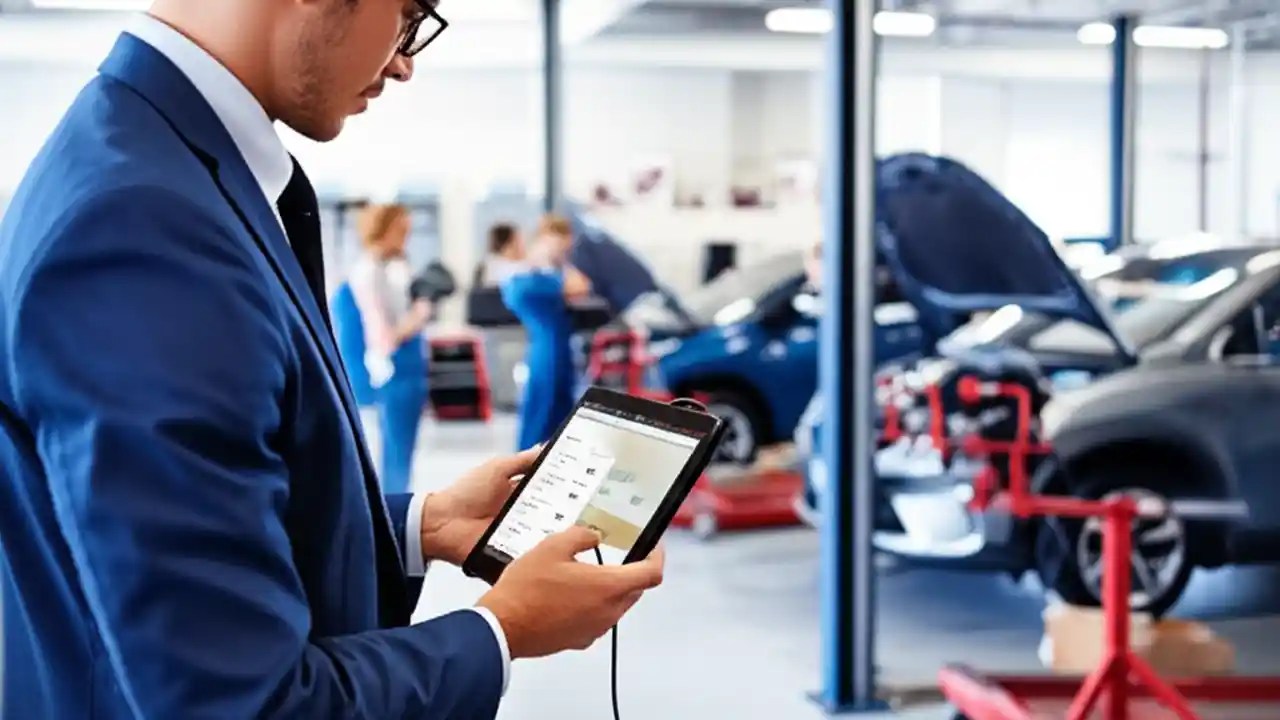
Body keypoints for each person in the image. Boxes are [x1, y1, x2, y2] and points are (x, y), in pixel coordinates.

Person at [0, 3, 664, 719]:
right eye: (410, 14)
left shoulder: (153, 160)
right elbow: (241, 702)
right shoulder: (141, 225)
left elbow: (186, 523)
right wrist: (502, 630)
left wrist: (423, 525)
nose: (405, 60)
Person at [349, 203, 431, 494]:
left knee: (404, 448)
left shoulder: (395, 265)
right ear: (383, 230)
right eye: (401, 231)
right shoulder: (369, 271)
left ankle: (395, 507)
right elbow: (386, 336)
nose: (405, 238)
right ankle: (391, 516)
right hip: (393, 364)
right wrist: (421, 312)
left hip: (411, 363)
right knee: (395, 450)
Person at [502, 214, 592, 450]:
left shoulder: (542, 274)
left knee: (561, 412)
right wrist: (560, 262)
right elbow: (579, 286)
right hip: (547, 349)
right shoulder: (528, 278)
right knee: (542, 410)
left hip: (557, 346)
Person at [474, 221, 528, 288]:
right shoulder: (516, 270)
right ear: (507, 246)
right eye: (519, 242)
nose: (524, 247)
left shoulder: (487, 265)